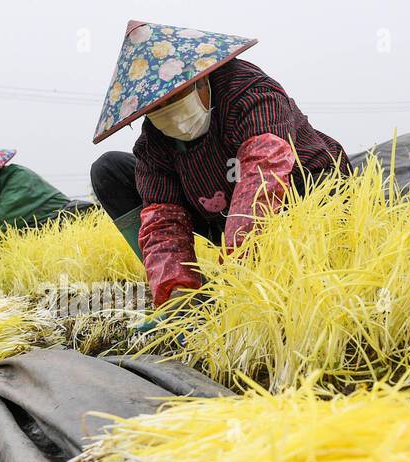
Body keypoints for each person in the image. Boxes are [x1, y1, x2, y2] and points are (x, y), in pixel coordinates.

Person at [89, 21, 350, 308]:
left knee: (297, 268)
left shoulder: (248, 91)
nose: (170, 114)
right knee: (109, 169)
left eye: (176, 98)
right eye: (157, 108)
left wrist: (236, 275)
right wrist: (175, 288)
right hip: (220, 210)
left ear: (201, 78)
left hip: (304, 195)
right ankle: (196, 297)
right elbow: (163, 218)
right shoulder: (153, 143)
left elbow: (262, 177)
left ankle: (263, 272)